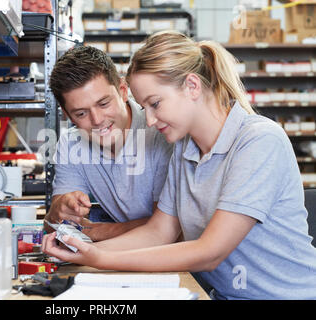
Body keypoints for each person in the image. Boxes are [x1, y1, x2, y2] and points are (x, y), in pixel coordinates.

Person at [42, 30, 316, 300]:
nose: (148, 121)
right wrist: (81, 250)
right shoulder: (185, 148)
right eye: (144, 107)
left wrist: (100, 257)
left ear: (192, 86)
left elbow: (210, 252)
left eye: (155, 104)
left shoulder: (258, 141)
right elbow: (158, 232)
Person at [44, 45, 174, 241]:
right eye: (81, 113)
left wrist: (93, 231)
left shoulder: (161, 133)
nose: (96, 120)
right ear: (66, 113)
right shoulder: (71, 144)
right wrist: (59, 210)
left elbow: (166, 230)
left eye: (104, 103)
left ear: (122, 90)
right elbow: (58, 227)